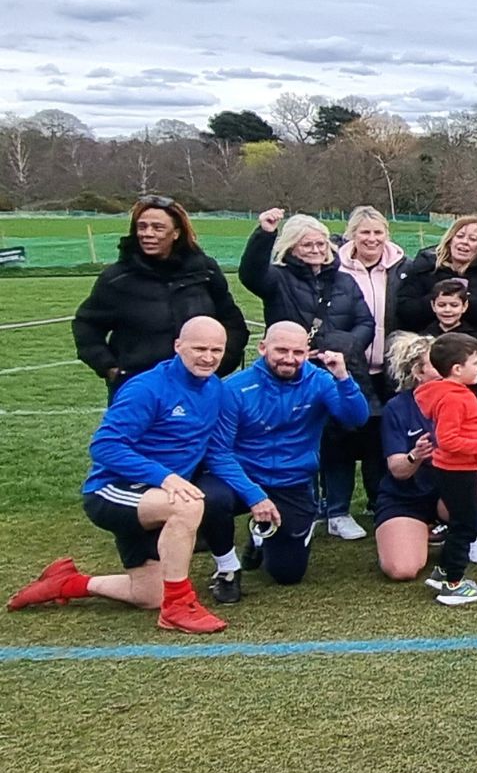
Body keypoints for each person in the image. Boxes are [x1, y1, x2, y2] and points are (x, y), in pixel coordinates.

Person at [10, 318, 246, 634]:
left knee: (149, 595)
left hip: (155, 499)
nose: (208, 357)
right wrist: (165, 477)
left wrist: (257, 497)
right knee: (189, 504)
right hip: (112, 491)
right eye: (199, 348)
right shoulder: (147, 388)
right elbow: (105, 446)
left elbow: (218, 453)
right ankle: (177, 608)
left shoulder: (217, 390)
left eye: (216, 350)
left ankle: (66, 582)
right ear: (178, 346)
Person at [208, 321, 370, 600]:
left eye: (298, 352)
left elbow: (355, 418)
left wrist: (344, 378)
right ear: (262, 348)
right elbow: (219, 453)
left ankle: (260, 538)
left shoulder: (320, 381)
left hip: (292, 480)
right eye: (281, 350)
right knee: (210, 498)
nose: (289, 358)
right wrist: (254, 496)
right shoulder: (234, 388)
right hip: (243, 478)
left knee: (287, 575)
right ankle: (227, 569)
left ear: (308, 353)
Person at [73, 195, 247, 399]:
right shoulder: (117, 279)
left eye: (157, 227)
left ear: (176, 233)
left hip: (198, 388)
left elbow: (232, 321)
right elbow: (86, 325)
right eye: (142, 227)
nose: (147, 234)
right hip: (137, 390)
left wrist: (220, 363)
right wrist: (110, 369)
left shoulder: (205, 273)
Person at [371, 332, 477, 583]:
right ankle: (435, 542)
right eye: (435, 363)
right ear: (418, 372)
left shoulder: (461, 396)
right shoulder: (398, 408)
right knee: (402, 570)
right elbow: (398, 470)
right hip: (406, 497)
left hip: (446, 487)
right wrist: (416, 455)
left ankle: (456, 534)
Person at [323, 205, 406, 540]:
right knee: (338, 439)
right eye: (365, 233)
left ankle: (379, 503)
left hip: (388, 369)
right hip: (344, 367)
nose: (372, 239)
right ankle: (336, 510)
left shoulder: (402, 268)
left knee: (380, 438)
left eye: (378, 232)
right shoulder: (333, 270)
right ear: (352, 235)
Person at [416, 332, 477, 606]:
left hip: (453, 469)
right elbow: (448, 439)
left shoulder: (445, 393)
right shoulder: (456, 398)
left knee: (460, 522)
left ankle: (443, 571)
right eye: (476, 362)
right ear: (457, 369)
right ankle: (453, 584)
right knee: (464, 527)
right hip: (458, 471)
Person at [240, 209, 374, 374]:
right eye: (307, 245)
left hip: (340, 369)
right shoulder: (278, 278)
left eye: (320, 244)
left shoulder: (345, 281)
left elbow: (365, 323)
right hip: (291, 369)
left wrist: (344, 348)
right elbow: (251, 274)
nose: (316, 250)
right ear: (291, 247)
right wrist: (265, 233)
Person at [395, 214, 477, 356]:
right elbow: (405, 310)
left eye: (472, 239)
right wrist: (438, 299)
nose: (464, 242)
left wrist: (464, 300)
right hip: (427, 352)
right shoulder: (425, 269)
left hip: (474, 355)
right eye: (460, 236)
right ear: (450, 240)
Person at [424, 277, 477, 441]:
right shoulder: (425, 337)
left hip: (471, 403)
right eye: (442, 305)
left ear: (464, 306)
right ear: (433, 306)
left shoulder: (475, 339)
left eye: (454, 305)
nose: (448, 310)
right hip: (435, 405)